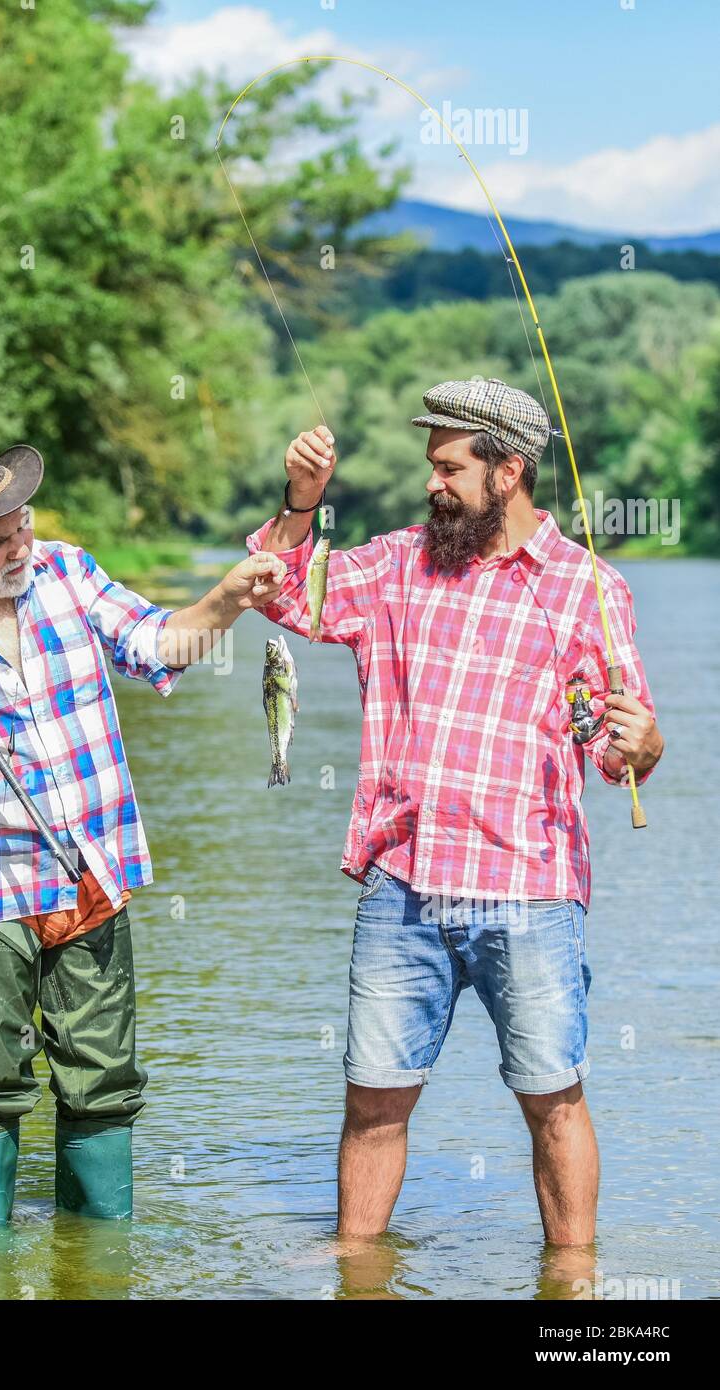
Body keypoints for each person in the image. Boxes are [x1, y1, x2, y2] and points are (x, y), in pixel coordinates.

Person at [246, 378, 664, 1245]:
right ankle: (357, 1272)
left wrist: (640, 748)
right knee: (372, 1102)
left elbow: (613, 747)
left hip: (532, 889)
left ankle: (574, 1290)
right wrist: (300, 504)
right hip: (402, 887)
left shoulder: (588, 590)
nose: (431, 483)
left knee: (554, 1101)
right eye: (430, 466)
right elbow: (277, 595)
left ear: (507, 472)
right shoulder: (398, 563)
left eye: (448, 467)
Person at [0, 438, 286, 1225]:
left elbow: (154, 646)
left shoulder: (67, 572)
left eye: (23, 526)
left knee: (103, 1079)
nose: (19, 548)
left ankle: (99, 1256)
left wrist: (230, 598)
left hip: (89, 870)